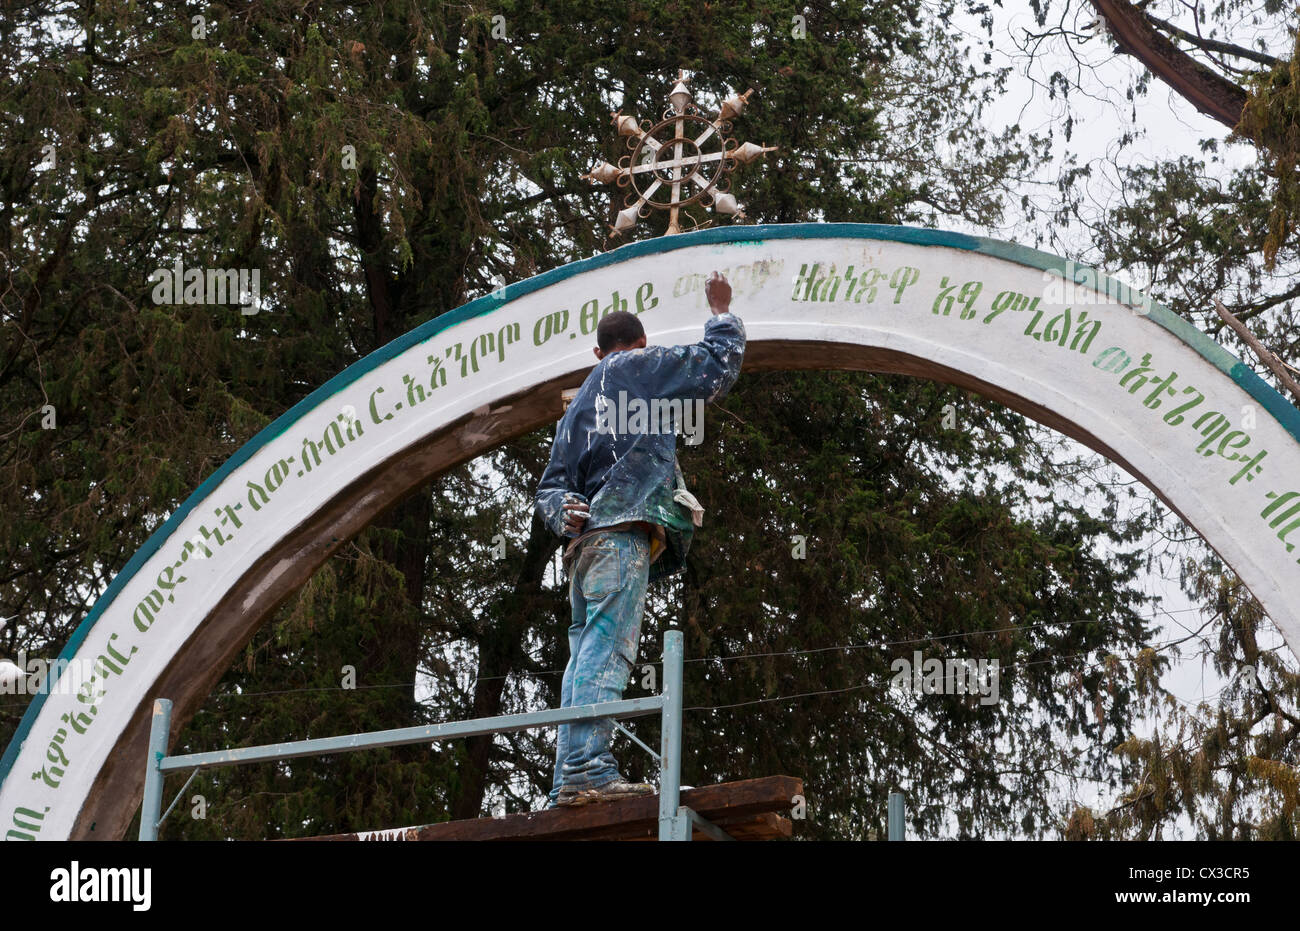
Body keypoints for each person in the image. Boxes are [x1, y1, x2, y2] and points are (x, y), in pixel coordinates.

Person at [534, 271, 746, 807]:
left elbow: (550, 490)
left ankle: (570, 776)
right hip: (621, 537)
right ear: (639, 345)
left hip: (584, 549)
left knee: (583, 654)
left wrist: (566, 514)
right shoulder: (630, 368)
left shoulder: (577, 407)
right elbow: (713, 369)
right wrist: (721, 313)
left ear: (595, 349)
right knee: (607, 652)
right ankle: (587, 772)